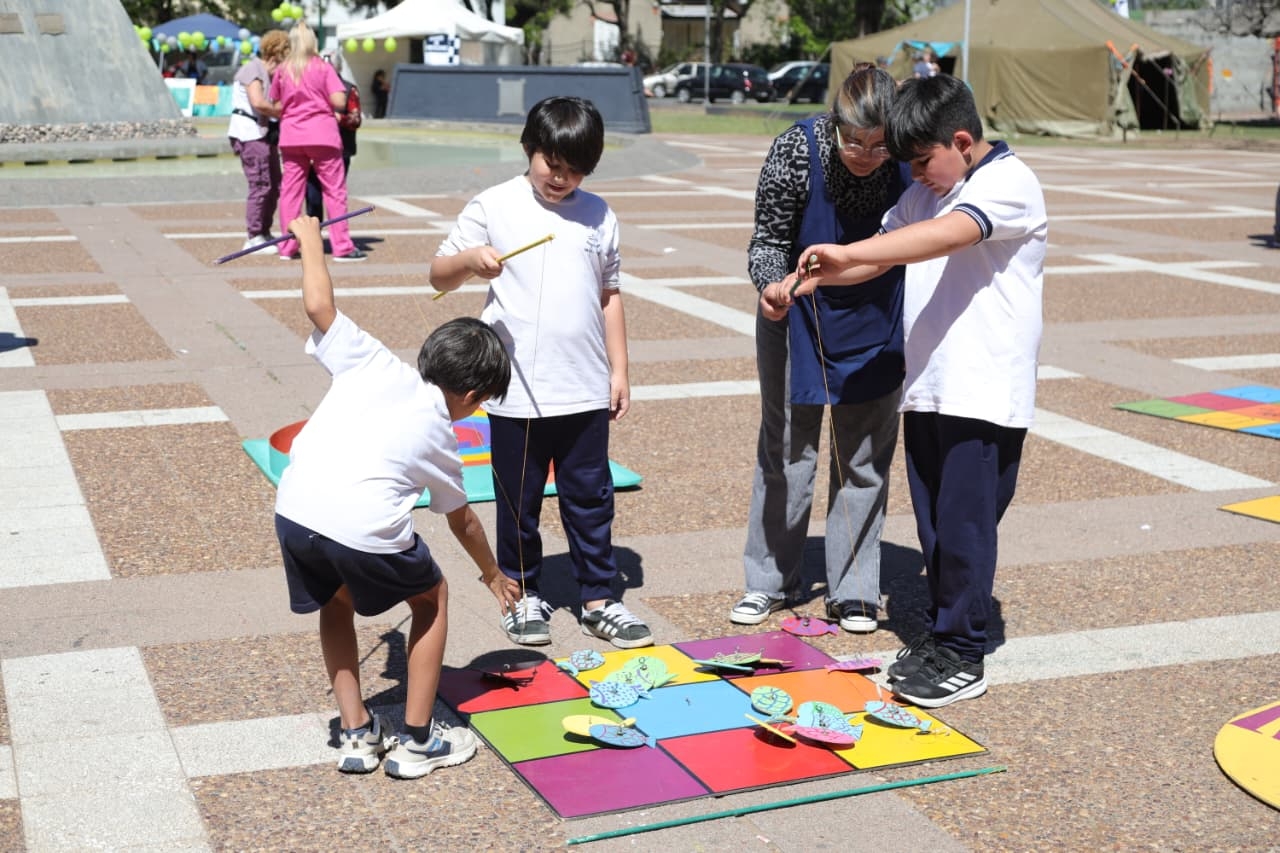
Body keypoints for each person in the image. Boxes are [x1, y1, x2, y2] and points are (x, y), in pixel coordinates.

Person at [788, 74, 1047, 708]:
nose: (917, 174)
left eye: (923, 160)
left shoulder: (1006, 183)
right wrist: (836, 264)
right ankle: (943, 634)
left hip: (983, 391)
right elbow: (886, 250)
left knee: (964, 527)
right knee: (935, 526)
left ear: (961, 140)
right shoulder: (931, 189)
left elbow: (947, 236)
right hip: (931, 385)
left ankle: (964, 652)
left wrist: (848, 256)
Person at [274, 214, 520, 778]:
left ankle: (357, 734)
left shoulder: (374, 360)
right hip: (359, 528)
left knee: (335, 603)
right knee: (430, 599)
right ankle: (417, 742)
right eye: (481, 403)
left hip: (294, 511)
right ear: (476, 394)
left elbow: (317, 307)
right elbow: (464, 523)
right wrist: (490, 574)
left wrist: (310, 238)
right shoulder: (441, 435)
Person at [429, 96, 650, 650]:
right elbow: (437, 275)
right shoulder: (493, 205)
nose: (562, 178)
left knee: (590, 496)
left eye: (576, 170)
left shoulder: (599, 214)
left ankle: (600, 597)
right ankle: (521, 591)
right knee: (518, 499)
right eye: (553, 164)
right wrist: (469, 259)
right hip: (515, 393)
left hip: (582, 388)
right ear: (530, 148)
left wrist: (619, 370)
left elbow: (609, 296)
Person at [730, 64, 910, 635]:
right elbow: (768, 239)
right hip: (796, 313)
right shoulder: (796, 150)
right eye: (854, 140)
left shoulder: (906, 156)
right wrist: (770, 287)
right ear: (834, 123)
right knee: (785, 450)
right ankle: (770, 581)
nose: (865, 154)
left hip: (875, 315)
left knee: (861, 457)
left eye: (880, 146)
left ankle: (854, 590)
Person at [269, 23, 365, 262]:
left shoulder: (283, 69)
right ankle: (341, 246)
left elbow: (275, 102)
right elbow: (339, 101)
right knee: (334, 191)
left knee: (291, 192)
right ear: (313, 42)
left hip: (291, 135)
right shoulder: (323, 67)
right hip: (322, 134)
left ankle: (287, 246)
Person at [227, 30, 288, 255]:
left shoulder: (266, 72)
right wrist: (284, 112)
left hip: (261, 134)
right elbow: (259, 102)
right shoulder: (253, 69)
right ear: (276, 54)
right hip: (250, 134)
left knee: (274, 184)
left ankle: (264, 231)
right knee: (261, 184)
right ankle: (253, 236)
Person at [306, 51, 360, 221]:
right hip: (313, 148)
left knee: (335, 195)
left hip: (341, 149)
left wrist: (339, 118)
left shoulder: (349, 88)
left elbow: (355, 119)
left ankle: (339, 236)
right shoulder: (311, 86)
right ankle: (315, 232)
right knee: (313, 195)